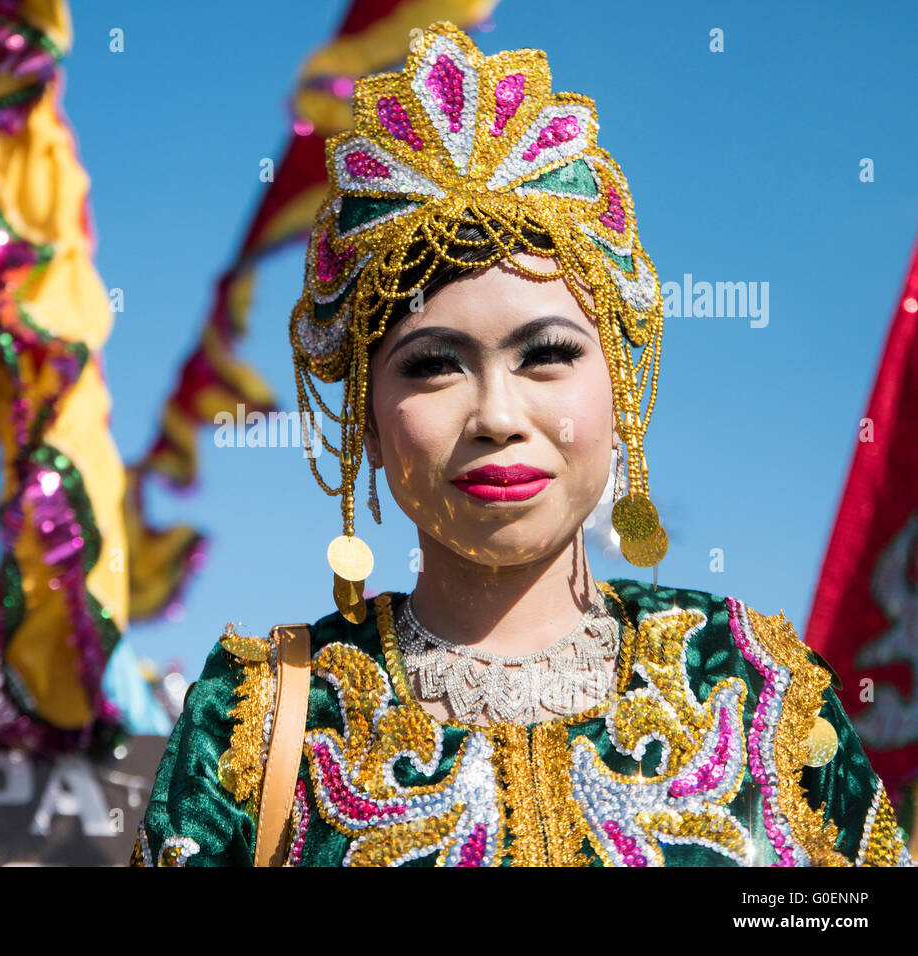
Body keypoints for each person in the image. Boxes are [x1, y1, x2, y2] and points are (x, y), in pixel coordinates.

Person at [130, 22, 913, 867]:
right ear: (368, 417)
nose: (497, 415)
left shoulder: (758, 687)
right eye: (433, 366)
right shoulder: (254, 719)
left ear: (616, 385)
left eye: (547, 356)